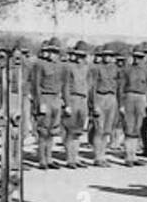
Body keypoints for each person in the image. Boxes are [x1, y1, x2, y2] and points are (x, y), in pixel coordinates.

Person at [30, 38, 66, 169]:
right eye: (51, 52)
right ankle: (42, 160)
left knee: (53, 131)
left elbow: (63, 84)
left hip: (56, 99)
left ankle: (49, 159)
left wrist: (63, 100)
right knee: (43, 131)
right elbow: (36, 85)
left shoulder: (61, 66)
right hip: (45, 98)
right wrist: (40, 103)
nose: (53, 55)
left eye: (56, 52)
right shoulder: (39, 64)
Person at [60, 40, 92, 169]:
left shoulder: (87, 68)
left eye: (83, 55)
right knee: (70, 130)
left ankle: (76, 157)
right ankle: (70, 159)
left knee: (78, 131)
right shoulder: (69, 67)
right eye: (79, 55)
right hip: (72, 99)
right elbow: (66, 86)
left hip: (83, 100)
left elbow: (89, 84)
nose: (81, 58)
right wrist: (67, 104)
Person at [89, 45, 120, 166]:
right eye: (106, 55)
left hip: (111, 98)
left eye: (110, 56)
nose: (108, 58)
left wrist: (116, 102)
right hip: (100, 97)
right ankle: (97, 157)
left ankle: (103, 155)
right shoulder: (96, 69)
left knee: (107, 130)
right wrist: (94, 104)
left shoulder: (115, 69)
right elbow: (92, 88)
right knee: (99, 129)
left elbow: (117, 86)